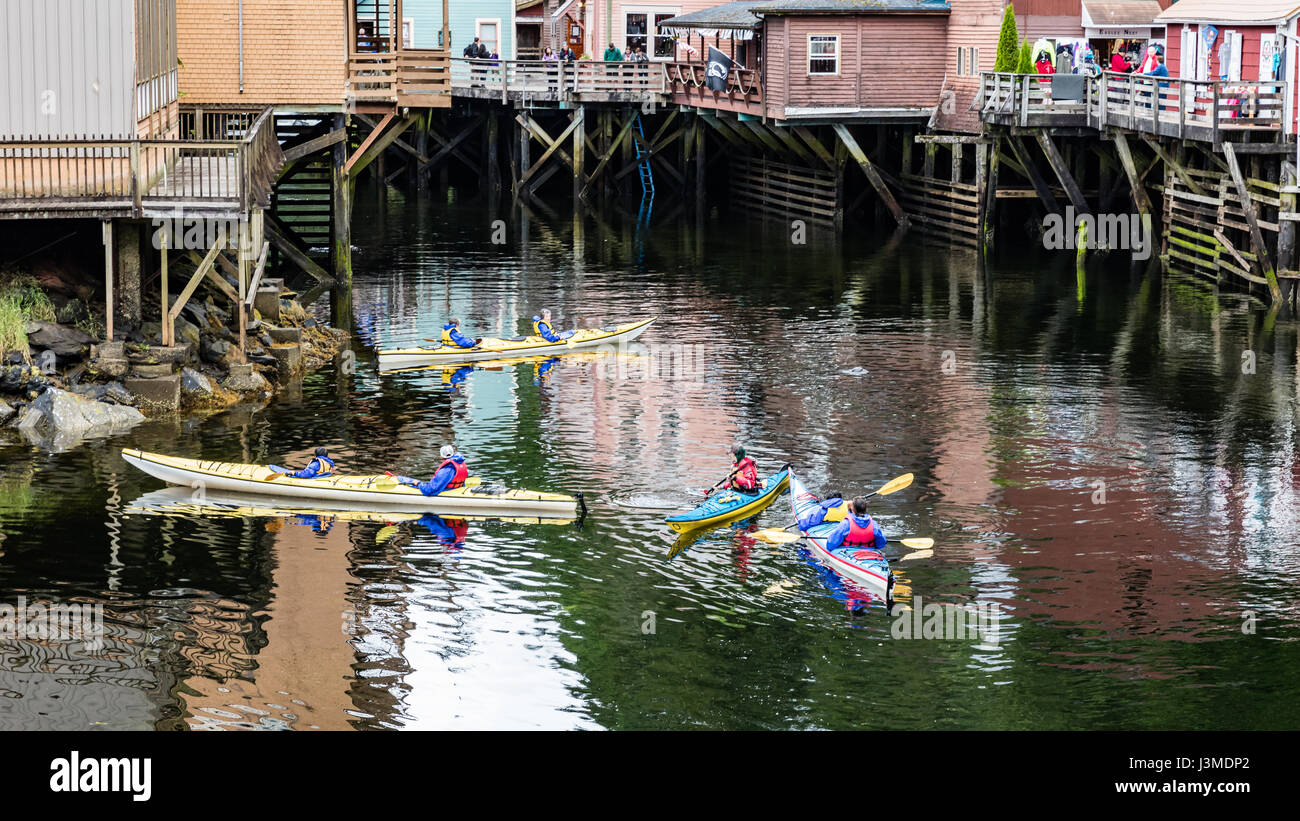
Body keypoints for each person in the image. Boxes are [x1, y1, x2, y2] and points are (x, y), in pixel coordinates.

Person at [396, 445, 469, 496]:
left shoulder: (446, 470)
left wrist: (418, 484)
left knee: (418, 483)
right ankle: (400, 478)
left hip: (448, 491)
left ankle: (399, 479)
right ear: (453, 454)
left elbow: (430, 491)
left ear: (441, 456)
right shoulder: (459, 463)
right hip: (457, 489)